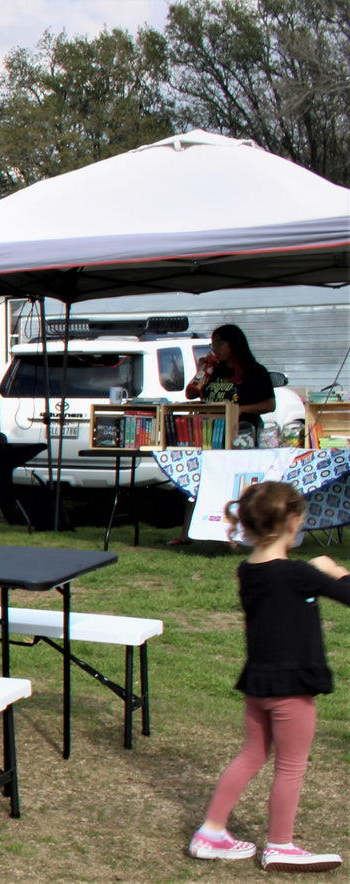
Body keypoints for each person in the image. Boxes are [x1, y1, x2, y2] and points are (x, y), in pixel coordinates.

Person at [187, 481, 346, 872]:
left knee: (252, 754)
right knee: (291, 765)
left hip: (257, 683)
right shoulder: (299, 574)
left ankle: (211, 832)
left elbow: (286, 586)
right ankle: (280, 844)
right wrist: (335, 570)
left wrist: (312, 574)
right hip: (291, 690)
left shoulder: (249, 569)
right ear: (293, 521)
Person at [172, 324, 278, 546]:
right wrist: (203, 370)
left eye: (219, 343)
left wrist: (241, 409)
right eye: (213, 344)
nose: (215, 348)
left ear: (234, 344)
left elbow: (270, 404)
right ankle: (187, 533)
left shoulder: (255, 371)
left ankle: (241, 531)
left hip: (243, 434)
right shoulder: (215, 370)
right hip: (211, 432)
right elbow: (191, 394)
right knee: (200, 478)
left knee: (239, 482)